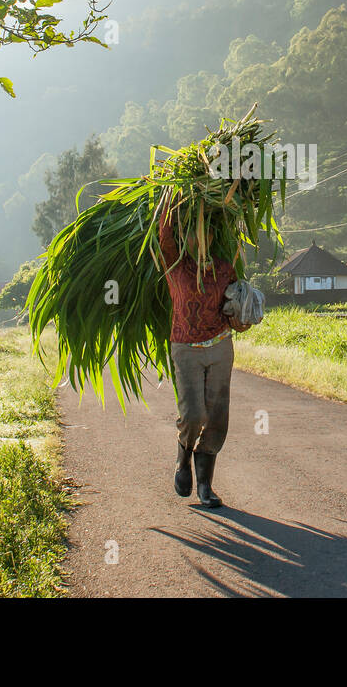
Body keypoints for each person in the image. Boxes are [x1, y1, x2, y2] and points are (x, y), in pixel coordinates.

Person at [156, 207, 237, 508]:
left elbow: (234, 302)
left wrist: (244, 310)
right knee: (193, 414)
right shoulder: (174, 265)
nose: (201, 239)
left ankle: (205, 486)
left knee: (217, 418)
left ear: (214, 236)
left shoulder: (225, 267)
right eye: (194, 233)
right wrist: (171, 200)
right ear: (185, 238)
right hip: (185, 348)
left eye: (207, 233)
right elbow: (163, 235)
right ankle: (183, 457)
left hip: (220, 346)